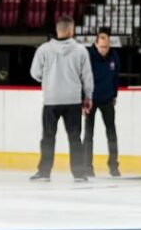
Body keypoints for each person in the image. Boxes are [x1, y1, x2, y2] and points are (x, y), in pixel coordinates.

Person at [29, 15, 93, 182]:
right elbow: (87, 77)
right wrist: (88, 96)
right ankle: (78, 173)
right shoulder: (80, 50)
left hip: (51, 99)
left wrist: (49, 78)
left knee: (48, 137)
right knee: (74, 137)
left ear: (57, 30)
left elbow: (35, 73)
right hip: (72, 100)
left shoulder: (44, 49)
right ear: (71, 30)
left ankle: (44, 172)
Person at [81, 27, 122, 178]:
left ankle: (113, 166)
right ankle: (87, 167)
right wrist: (83, 99)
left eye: (107, 47)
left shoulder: (114, 56)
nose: (104, 50)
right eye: (102, 47)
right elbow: (82, 78)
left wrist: (114, 95)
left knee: (112, 134)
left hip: (107, 100)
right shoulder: (87, 56)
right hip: (90, 100)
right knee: (88, 135)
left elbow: (116, 77)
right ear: (96, 44)